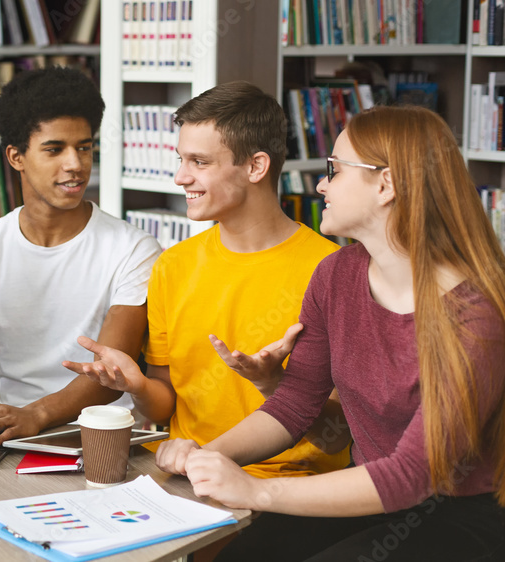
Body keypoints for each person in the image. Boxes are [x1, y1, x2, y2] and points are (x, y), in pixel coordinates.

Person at [162, 106, 505, 561]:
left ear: (387, 185)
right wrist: (204, 459)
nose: (321, 185)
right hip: (366, 493)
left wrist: (258, 493)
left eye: (335, 171)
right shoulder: (336, 275)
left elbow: (412, 474)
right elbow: (293, 404)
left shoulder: (477, 313)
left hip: (460, 514)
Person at [67, 82, 350, 483]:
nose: (181, 177)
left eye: (199, 162)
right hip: (180, 474)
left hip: (284, 484)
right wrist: (138, 387)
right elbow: (164, 406)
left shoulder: (331, 270)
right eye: (181, 159)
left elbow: (338, 436)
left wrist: (276, 384)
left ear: (255, 167)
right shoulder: (173, 266)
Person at [0, 66, 162, 446]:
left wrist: (37, 414)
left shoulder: (134, 249)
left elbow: (112, 372)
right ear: (16, 157)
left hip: (103, 434)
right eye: (55, 149)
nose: (75, 164)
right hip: (7, 434)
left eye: (85, 147)